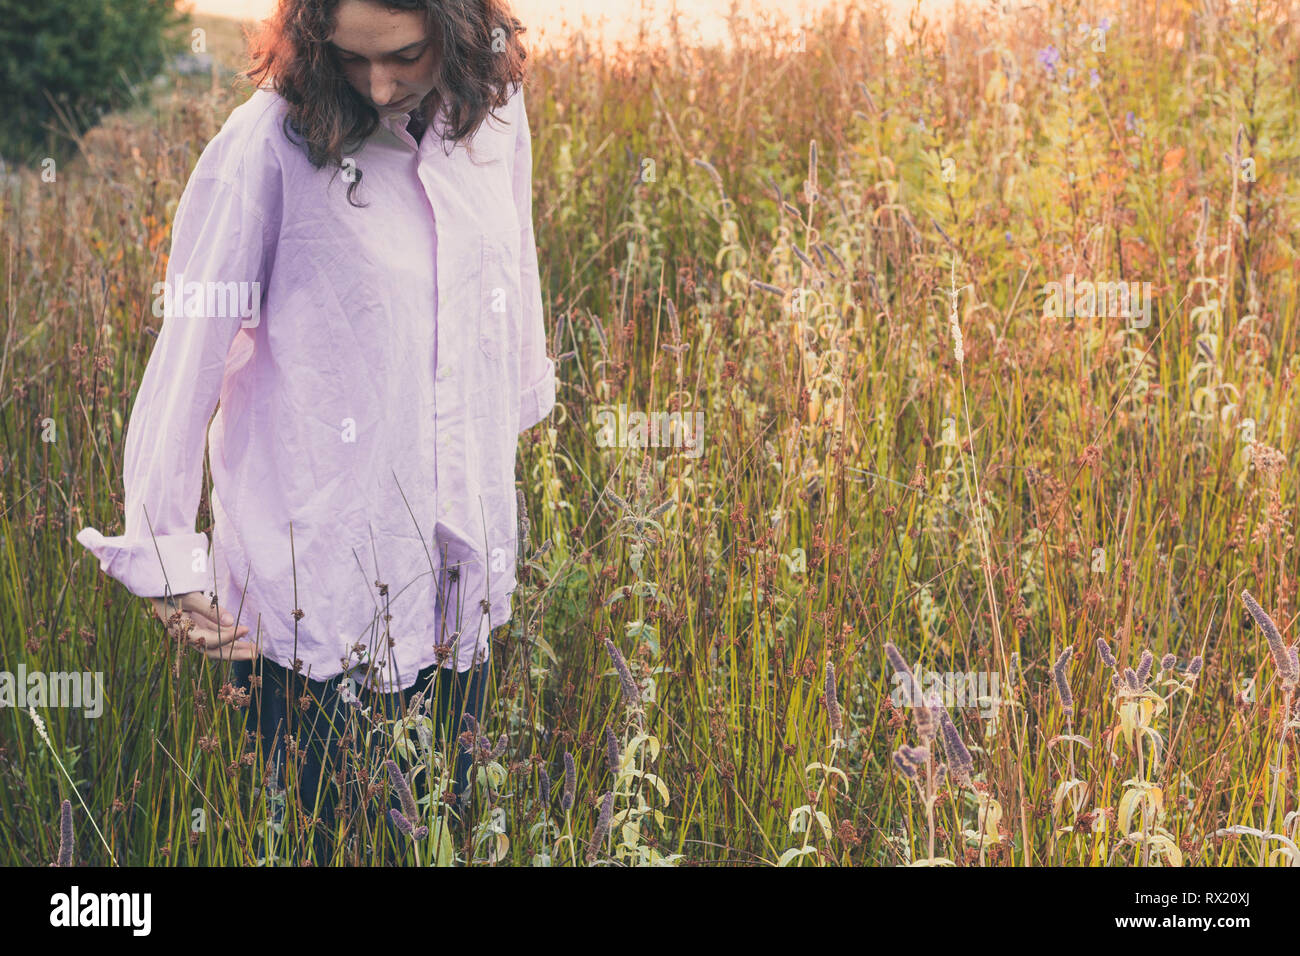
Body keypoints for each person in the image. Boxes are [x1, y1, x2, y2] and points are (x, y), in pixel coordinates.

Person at [75, 0, 554, 864]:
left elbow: (511, 267)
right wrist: (164, 551)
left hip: (458, 574)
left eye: (404, 55)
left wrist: (509, 413)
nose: (376, 84)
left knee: (442, 831)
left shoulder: (495, 115)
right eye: (349, 58)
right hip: (315, 596)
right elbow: (189, 349)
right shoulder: (267, 148)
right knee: (325, 843)